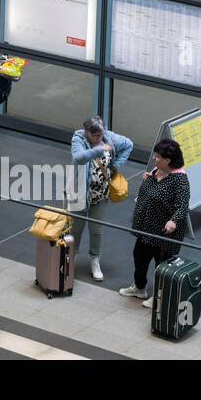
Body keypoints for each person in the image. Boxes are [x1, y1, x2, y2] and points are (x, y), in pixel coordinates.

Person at [119, 139, 191, 307]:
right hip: (147, 226)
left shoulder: (180, 180)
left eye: (158, 157)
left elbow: (182, 206)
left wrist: (173, 221)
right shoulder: (157, 170)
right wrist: (148, 179)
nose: (154, 159)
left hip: (164, 232)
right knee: (139, 256)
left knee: (162, 265)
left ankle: (160, 297)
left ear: (168, 160)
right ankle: (139, 287)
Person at [69, 116, 134, 282]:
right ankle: (71, 257)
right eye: (95, 135)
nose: (99, 138)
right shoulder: (78, 139)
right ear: (87, 133)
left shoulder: (108, 137)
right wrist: (99, 149)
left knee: (96, 230)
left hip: (101, 194)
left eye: (101, 134)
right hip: (80, 193)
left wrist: (116, 166)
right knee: (76, 228)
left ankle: (95, 260)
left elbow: (128, 145)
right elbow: (79, 157)